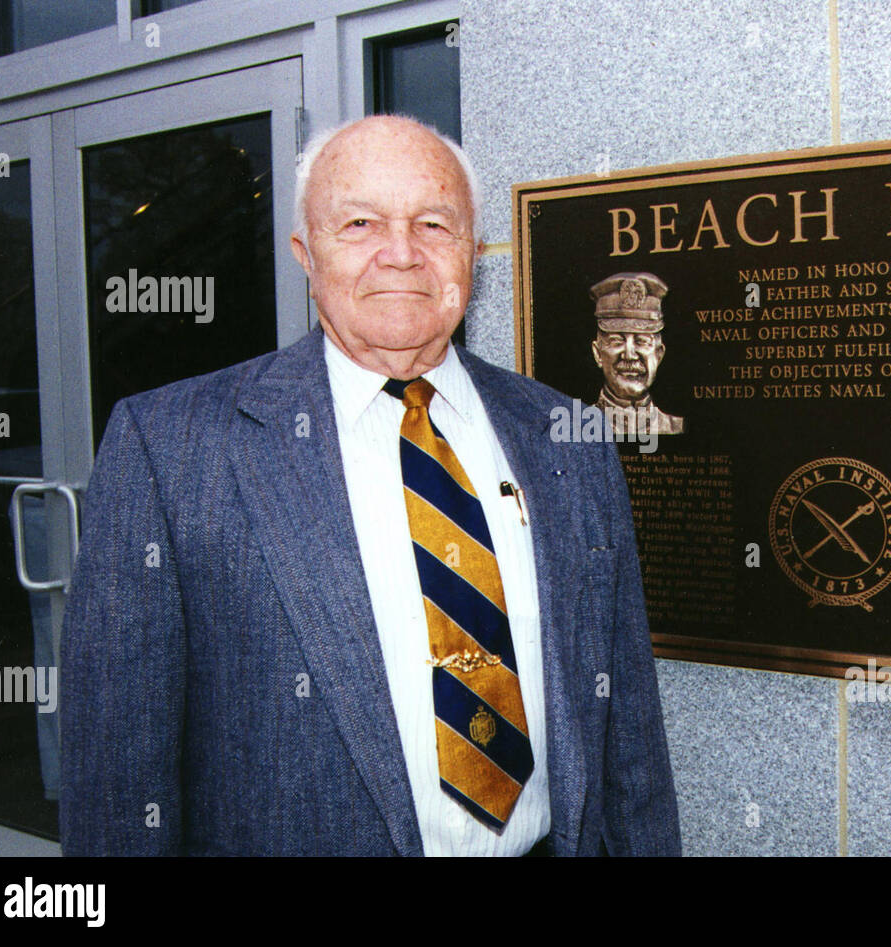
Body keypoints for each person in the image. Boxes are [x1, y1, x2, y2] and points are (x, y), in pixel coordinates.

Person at [59, 115, 680, 856]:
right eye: (359, 222)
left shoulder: (567, 437)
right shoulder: (168, 448)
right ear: (305, 253)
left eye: (433, 223)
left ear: (473, 253)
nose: (401, 253)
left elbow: (631, 739)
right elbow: (119, 785)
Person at [591, 273, 684, 436]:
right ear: (598, 353)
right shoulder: (576, 428)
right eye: (616, 341)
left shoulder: (674, 427)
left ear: (659, 355)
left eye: (641, 341)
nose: (629, 355)